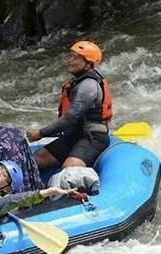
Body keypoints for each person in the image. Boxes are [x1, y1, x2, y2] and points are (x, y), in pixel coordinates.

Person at [26, 41, 113, 169]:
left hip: (92, 138)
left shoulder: (88, 86)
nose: (70, 61)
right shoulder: (77, 82)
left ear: (88, 65)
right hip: (73, 136)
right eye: (70, 56)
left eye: (76, 58)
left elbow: (71, 117)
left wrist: (41, 133)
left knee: (69, 168)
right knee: (33, 161)